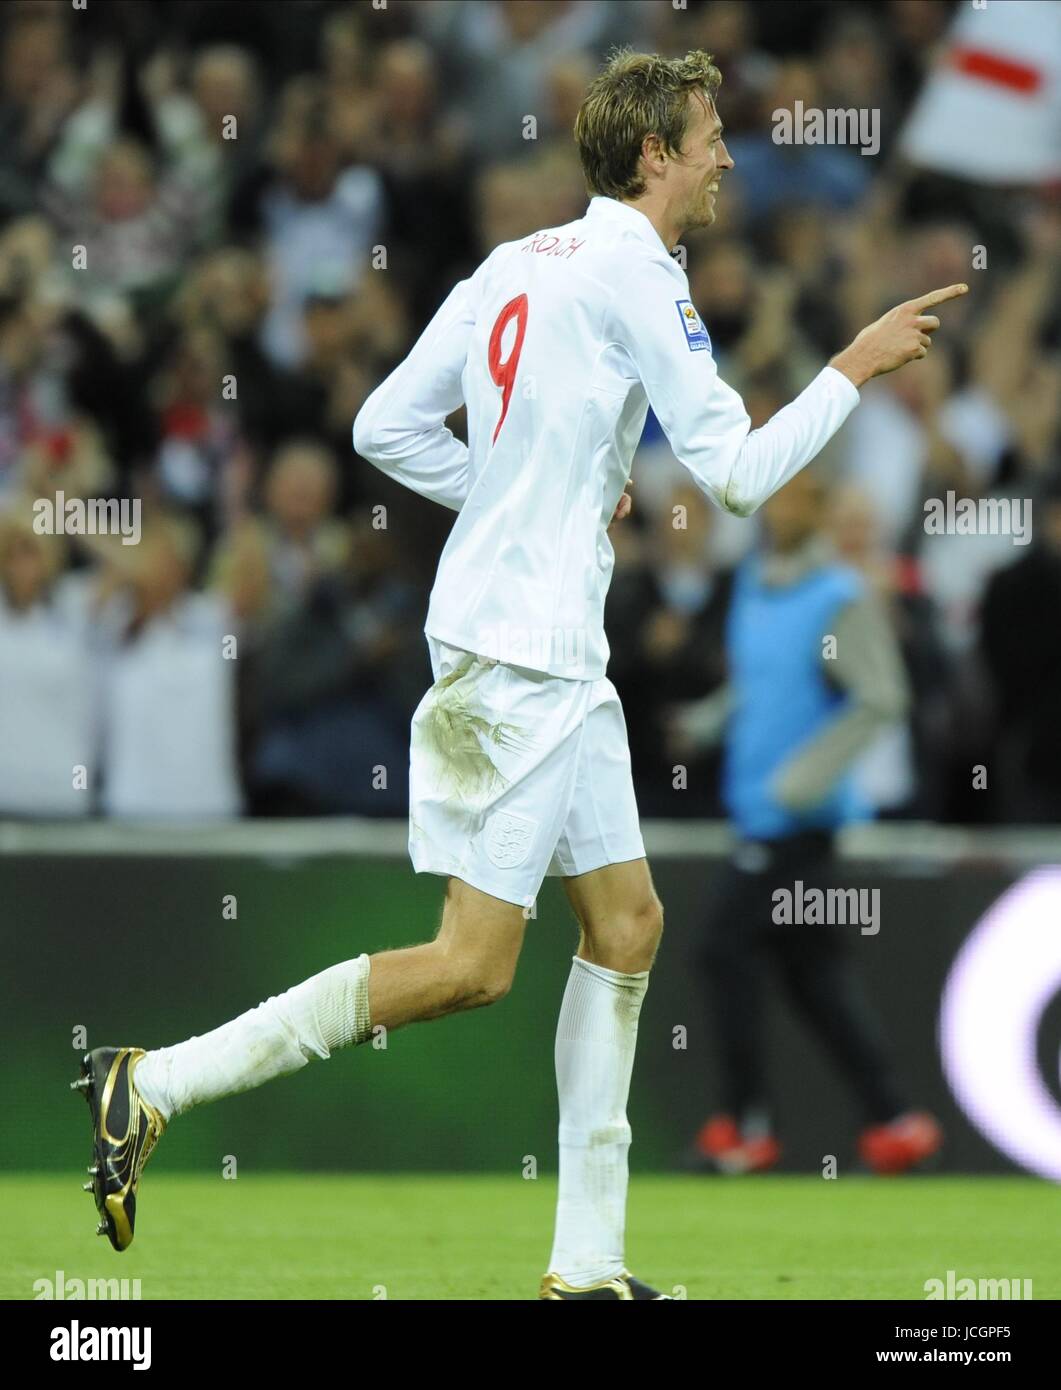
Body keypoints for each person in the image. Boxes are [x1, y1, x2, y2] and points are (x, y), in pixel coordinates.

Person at [74, 47, 965, 1300]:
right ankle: (153, 1080)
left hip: (538, 640)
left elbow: (383, 425)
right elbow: (740, 475)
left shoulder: (517, 261)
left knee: (628, 922)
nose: (723, 155)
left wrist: (509, 500)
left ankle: (585, 1267)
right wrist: (852, 365)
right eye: (707, 135)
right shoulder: (640, 274)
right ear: (653, 153)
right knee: (470, 964)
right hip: (524, 655)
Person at [672, 469, 943, 1175]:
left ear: (817, 508)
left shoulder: (838, 597)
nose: (778, 507)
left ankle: (744, 1126)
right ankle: (893, 1121)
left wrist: (807, 775)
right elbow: (757, 686)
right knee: (811, 976)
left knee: (719, 949)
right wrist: (704, 723)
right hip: (757, 815)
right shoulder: (757, 587)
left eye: (794, 495)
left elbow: (882, 696)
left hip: (792, 825)